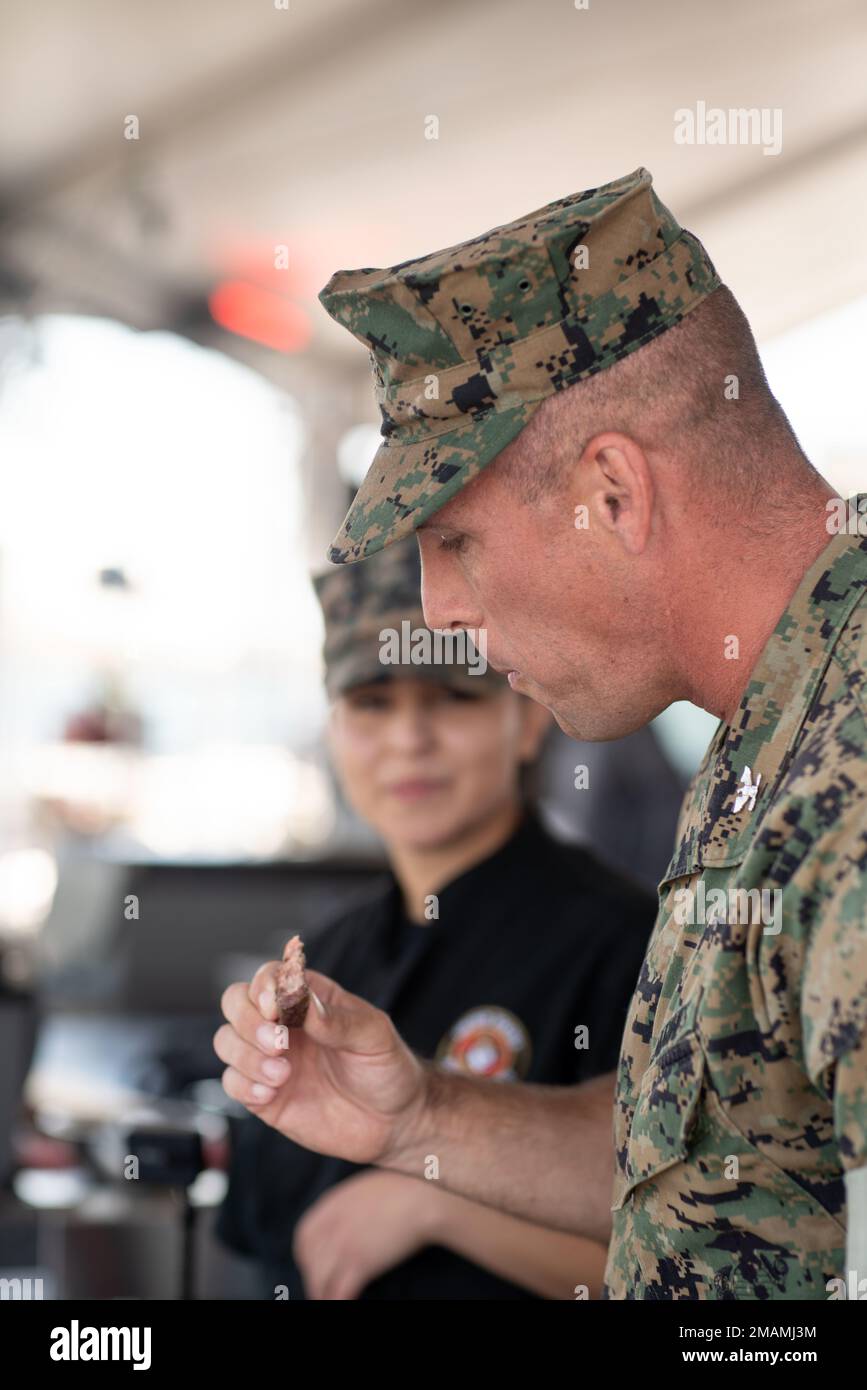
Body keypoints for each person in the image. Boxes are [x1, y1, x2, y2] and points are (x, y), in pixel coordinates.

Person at [214, 166, 867, 1300]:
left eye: (455, 539)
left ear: (613, 492)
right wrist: (423, 1116)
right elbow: (730, 1166)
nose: (438, 613)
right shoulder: (773, 731)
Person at [216, 536, 653, 1299]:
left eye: (450, 699)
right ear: (335, 733)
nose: (408, 741)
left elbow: (705, 1257)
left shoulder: (624, 944)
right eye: (372, 703)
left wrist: (438, 1204)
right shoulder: (329, 957)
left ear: (526, 721)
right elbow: (259, 1228)